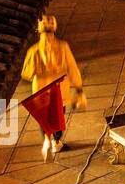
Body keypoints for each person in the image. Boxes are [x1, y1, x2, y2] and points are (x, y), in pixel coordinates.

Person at [21, 16, 87, 161]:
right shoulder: (61, 47)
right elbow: (72, 68)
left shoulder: (34, 50)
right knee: (57, 115)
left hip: (44, 90)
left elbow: (26, 73)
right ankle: (56, 140)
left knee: (44, 117)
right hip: (56, 89)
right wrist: (78, 86)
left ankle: (48, 138)